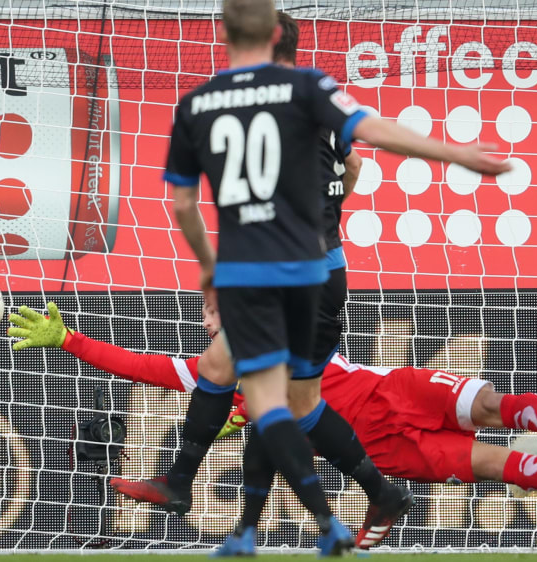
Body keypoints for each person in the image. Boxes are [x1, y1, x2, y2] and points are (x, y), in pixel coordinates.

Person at [165, 0, 502, 553]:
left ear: (224, 34)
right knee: (273, 396)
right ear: (277, 35)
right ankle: (269, 518)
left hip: (268, 273)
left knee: (263, 396)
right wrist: (454, 154)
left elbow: (184, 204)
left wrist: (211, 272)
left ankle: (288, 514)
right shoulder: (308, 91)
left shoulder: (204, 102)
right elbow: (367, 141)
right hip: (313, 270)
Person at [103, 11, 417, 549]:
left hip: (302, 277)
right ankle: (189, 486)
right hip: (312, 270)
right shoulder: (312, 103)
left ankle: (196, 489)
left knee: (272, 394)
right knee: (256, 384)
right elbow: (354, 166)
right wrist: (326, 215)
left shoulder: (273, 103)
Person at [7, 304, 537, 549]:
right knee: (494, 464)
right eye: (205, 315)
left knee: (490, 407)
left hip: (394, 392)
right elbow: (141, 366)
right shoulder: (218, 377)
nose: (205, 324)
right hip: (376, 446)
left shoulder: (278, 326)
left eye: (212, 312)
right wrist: (68, 340)